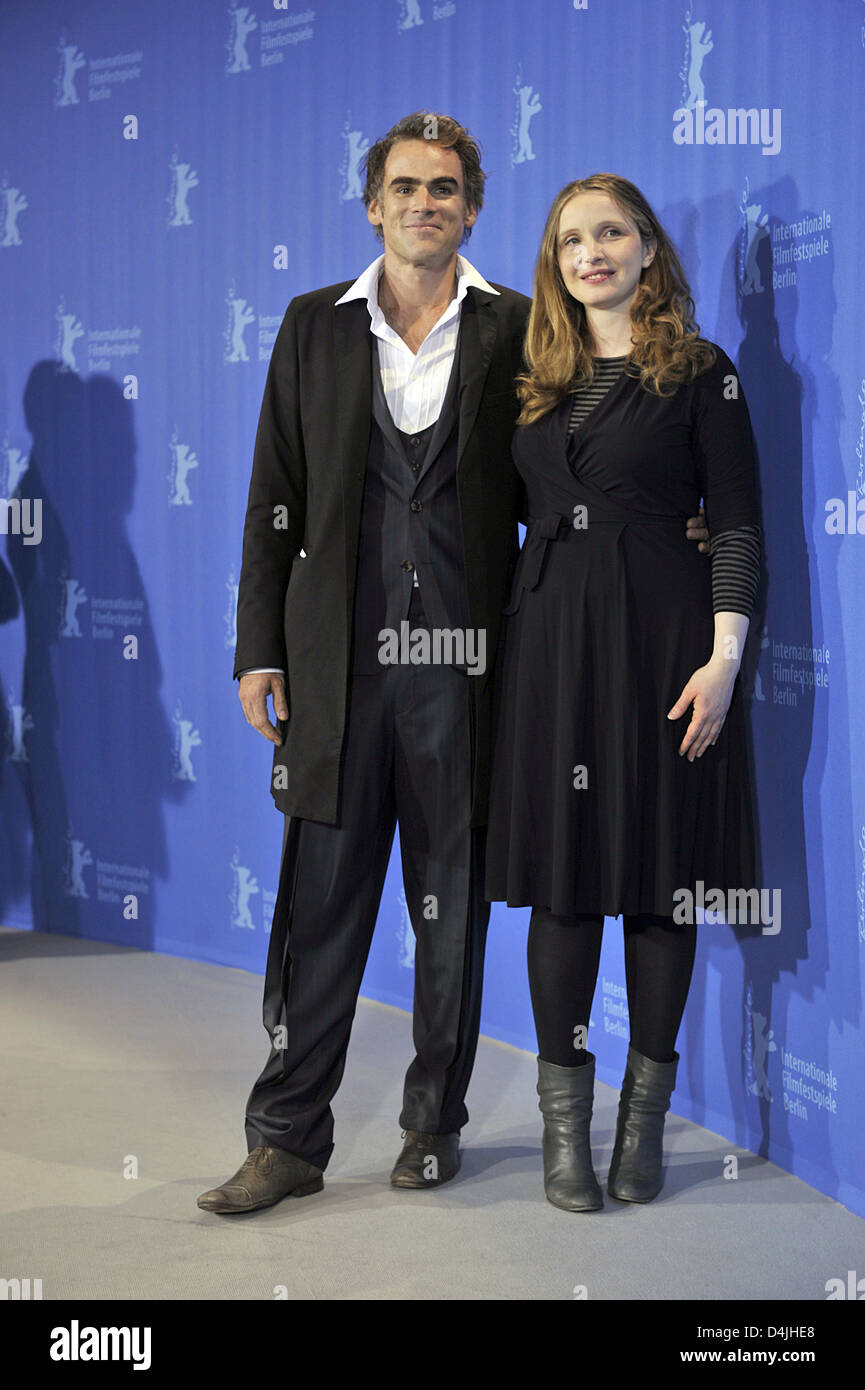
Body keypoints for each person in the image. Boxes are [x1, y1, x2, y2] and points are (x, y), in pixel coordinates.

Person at [198, 124, 709, 1215]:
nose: (423, 202)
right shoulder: (309, 328)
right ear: (372, 205)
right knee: (319, 912)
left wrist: (678, 532)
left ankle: (433, 1126)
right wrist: (258, 649)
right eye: (403, 187)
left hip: (476, 673)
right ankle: (285, 1138)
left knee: (452, 920)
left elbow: (574, 481)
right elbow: (268, 501)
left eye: (444, 188)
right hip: (338, 673)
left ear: (472, 208)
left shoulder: (522, 334)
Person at [484, 174, 762, 1213]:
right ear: (554, 264)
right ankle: (568, 1136)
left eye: (609, 234)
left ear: (648, 248)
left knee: (657, 882)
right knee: (561, 889)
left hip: (665, 647)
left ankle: (640, 1127)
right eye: (570, 241)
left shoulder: (700, 373)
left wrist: (724, 658)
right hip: (551, 647)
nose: (590, 253)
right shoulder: (530, 375)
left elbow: (734, 524)